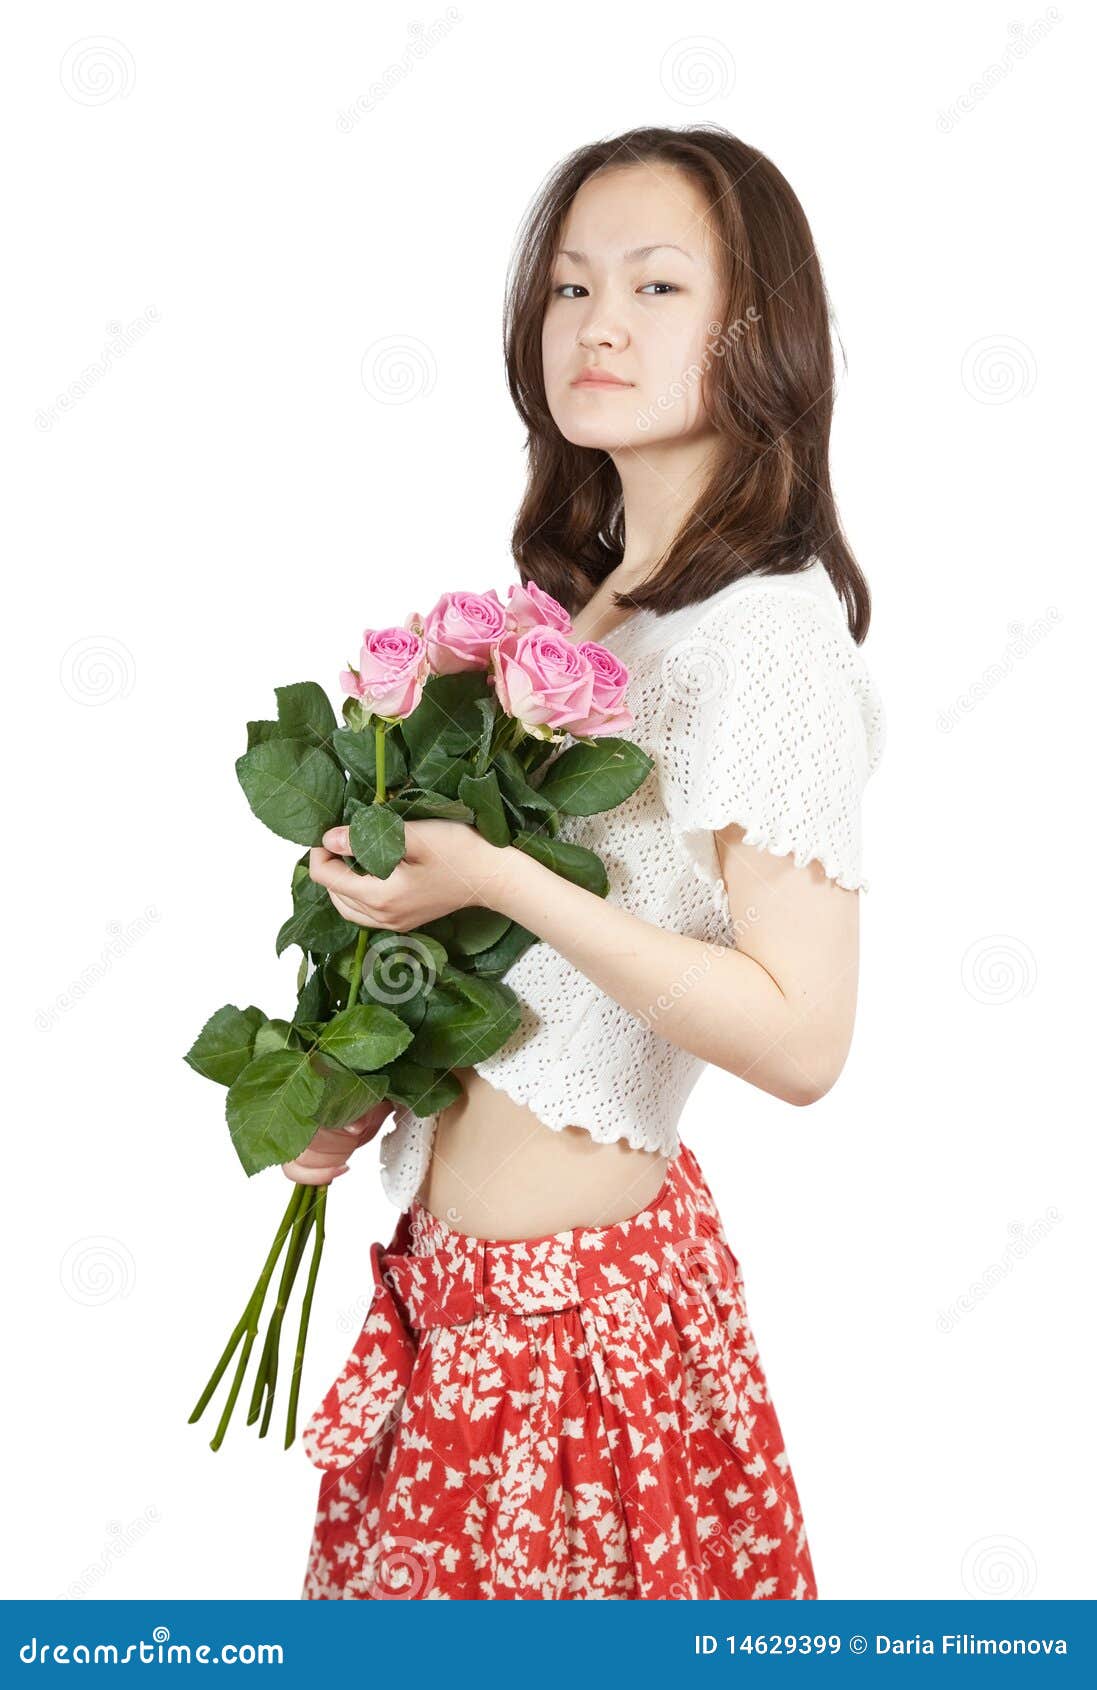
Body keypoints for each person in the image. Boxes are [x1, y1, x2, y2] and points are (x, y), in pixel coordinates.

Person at [287, 123, 886, 1600]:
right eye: (567, 289)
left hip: (580, 1347)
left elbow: (804, 1039)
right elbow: (548, 981)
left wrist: (494, 876)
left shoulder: (767, 636)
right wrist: (357, 1087)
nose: (598, 323)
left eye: (657, 286)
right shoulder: (599, 603)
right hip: (464, 1313)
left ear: (765, 329)